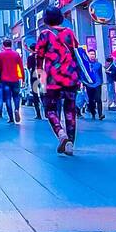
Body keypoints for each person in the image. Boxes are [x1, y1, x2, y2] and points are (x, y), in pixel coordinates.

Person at [32, 8, 81, 155]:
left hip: (52, 78)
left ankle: (61, 135)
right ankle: (70, 143)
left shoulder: (44, 34)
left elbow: (39, 57)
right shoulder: (69, 33)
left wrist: (39, 77)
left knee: (50, 110)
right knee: (70, 109)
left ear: (46, 20)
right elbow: (76, 50)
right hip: (71, 77)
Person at [0, 38, 25, 123]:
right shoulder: (16, 54)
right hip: (15, 79)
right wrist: (23, 79)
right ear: (11, 45)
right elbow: (21, 67)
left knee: (8, 98)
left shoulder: (1, 54)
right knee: (16, 96)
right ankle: (16, 109)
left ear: (3, 46)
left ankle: (11, 118)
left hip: (5, 80)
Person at [79, 45, 105, 119]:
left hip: (97, 84)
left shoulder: (99, 65)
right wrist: (83, 83)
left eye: (93, 54)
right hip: (89, 84)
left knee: (98, 99)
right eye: (91, 54)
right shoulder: (86, 65)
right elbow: (83, 74)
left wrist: (101, 82)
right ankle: (93, 113)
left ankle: (100, 114)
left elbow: (100, 74)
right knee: (91, 99)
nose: (92, 56)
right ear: (88, 55)